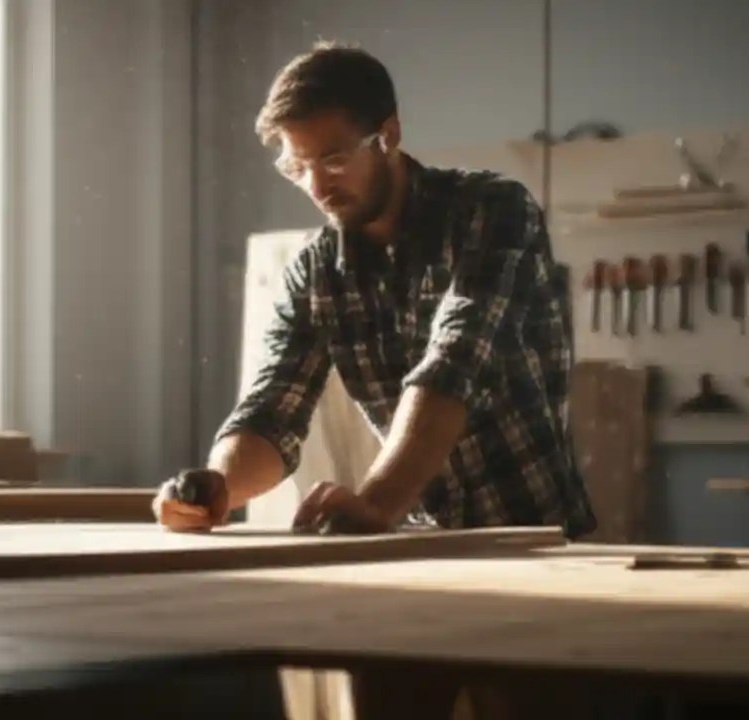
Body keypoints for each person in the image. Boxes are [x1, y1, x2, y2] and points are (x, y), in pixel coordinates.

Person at [154, 40, 594, 542]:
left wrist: (375, 503)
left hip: (539, 538)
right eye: (298, 169)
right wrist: (216, 488)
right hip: (426, 541)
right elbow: (272, 408)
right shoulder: (315, 273)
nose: (317, 187)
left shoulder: (492, 211)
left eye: (334, 160)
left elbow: (456, 361)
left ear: (388, 135)